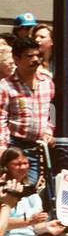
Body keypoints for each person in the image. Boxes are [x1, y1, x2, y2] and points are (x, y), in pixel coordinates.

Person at [0, 37, 55, 188]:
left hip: (37, 148)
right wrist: (3, 149)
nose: (35, 60)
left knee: (32, 190)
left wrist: (49, 130)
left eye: (38, 55)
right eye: (29, 56)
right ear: (16, 59)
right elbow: (1, 119)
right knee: (14, 189)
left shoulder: (47, 83)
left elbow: (52, 110)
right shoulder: (5, 86)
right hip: (14, 146)